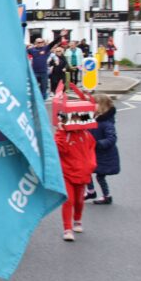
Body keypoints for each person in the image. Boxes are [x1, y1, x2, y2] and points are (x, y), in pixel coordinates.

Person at [55, 103, 97, 242]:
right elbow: (59, 149)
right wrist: (61, 132)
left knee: (79, 200)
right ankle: (67, 228)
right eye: (73, 118)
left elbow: (91, 150)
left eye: (78, 118)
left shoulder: (86, 134)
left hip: (82, 173)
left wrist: (91, 165)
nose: (76, 121)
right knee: (69, 200)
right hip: (67, 173)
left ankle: (77, 220)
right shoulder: (64, 134)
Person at [87, 94, 119, 205]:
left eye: (95, 103)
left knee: (99, 176)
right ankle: (92, 192)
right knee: (87, 171)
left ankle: (106, 196)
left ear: (102, 106)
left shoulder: (106, 123)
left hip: (104, 155)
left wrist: (97, 144)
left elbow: (112, 139)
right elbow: (77, 121)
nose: (92, 105)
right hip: (95, 153)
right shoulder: (93, 117)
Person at [27, 31, 66, 99]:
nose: (40, 43)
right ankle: (34, 99)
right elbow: (23, 52)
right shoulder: (32, 50)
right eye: (39, 42)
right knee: (34, 87)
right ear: (35, 43)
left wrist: (60, 35)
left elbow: (53, 42)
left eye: (42, 42)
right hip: (35, 72)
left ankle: (43, 100)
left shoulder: (46, 48)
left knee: (44, 87)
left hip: (44, 72)